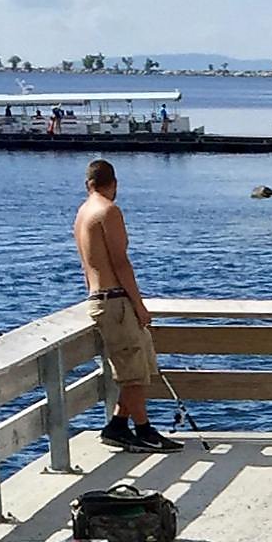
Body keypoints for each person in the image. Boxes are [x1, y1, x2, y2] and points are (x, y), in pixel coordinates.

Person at [74, 159, 183, 454]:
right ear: (114, 184)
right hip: (115, 301)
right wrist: (139, 305)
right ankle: (144, 430)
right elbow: (121, 263)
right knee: (134, 372)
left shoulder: (82, 213)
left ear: (88, 184)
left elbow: (88, 266)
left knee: (139, 365)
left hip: (99, 298)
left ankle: (118, 425)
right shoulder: (109, 211)